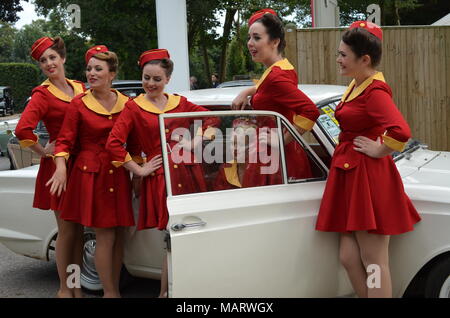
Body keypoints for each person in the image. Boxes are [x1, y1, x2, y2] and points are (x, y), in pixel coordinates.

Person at [315, 21, 421, 298]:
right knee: (349, 258)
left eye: (343, 55)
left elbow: (401, 131)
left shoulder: (374, 91)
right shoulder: (357, 84)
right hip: (351, 173)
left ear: (365, 59)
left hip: (367, 177)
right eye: (339, 53)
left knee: (374, 263)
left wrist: (379, 149)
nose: (338, 59)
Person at [105, 49, 218, 298]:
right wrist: (139, 169)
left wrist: (195, 141)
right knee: (172, 237)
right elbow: (113, 143)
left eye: (157, 79)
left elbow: (212, 120)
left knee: (186, 235)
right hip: (160, 180)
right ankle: (167, 291)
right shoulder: (134, 108)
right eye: (146, 78)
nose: (150, 84)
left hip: (188, 175)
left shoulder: (181, 103)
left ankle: (177, 290)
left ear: (167, 79)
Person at [46, 45, 137, 298]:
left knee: (119, 235)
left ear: (112, 73)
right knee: (101, 234)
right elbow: (64, 141)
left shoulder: (127, 103)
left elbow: (139, 137)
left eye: (98, 69)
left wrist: (140, 169)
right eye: (89, 69)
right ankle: (105, 293)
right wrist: (60, 167)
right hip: (89, 176)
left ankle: (106, 289)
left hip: (118, 174)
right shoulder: (78, 104)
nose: (91, 73)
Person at [14, 36, 85, 298]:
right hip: (59, 168)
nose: (48, 63)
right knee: (66, 232)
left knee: (79, 232)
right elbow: (23, 128)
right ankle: (64, 289)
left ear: (63, 58)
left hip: (83, 166)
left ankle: (77, 286)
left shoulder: (80, 88)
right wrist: (43, 150)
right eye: (43, 61)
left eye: (52, 57)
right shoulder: (42, 94)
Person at [231, 8, 320, 180]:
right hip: (277, 155)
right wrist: (248, 90)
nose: (250, 43)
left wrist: (281, 139)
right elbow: (272, 91)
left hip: (276, 160)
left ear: (275, 42)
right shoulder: (282, 68)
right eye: (249, 37)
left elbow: (311, 111)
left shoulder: (276, 76)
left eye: (257, 38)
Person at [214, 117, 282, 190]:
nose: (235, 148)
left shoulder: (264, 170)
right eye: (232, 143)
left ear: (253, 146)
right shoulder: (226, 168)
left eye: (241, 144)